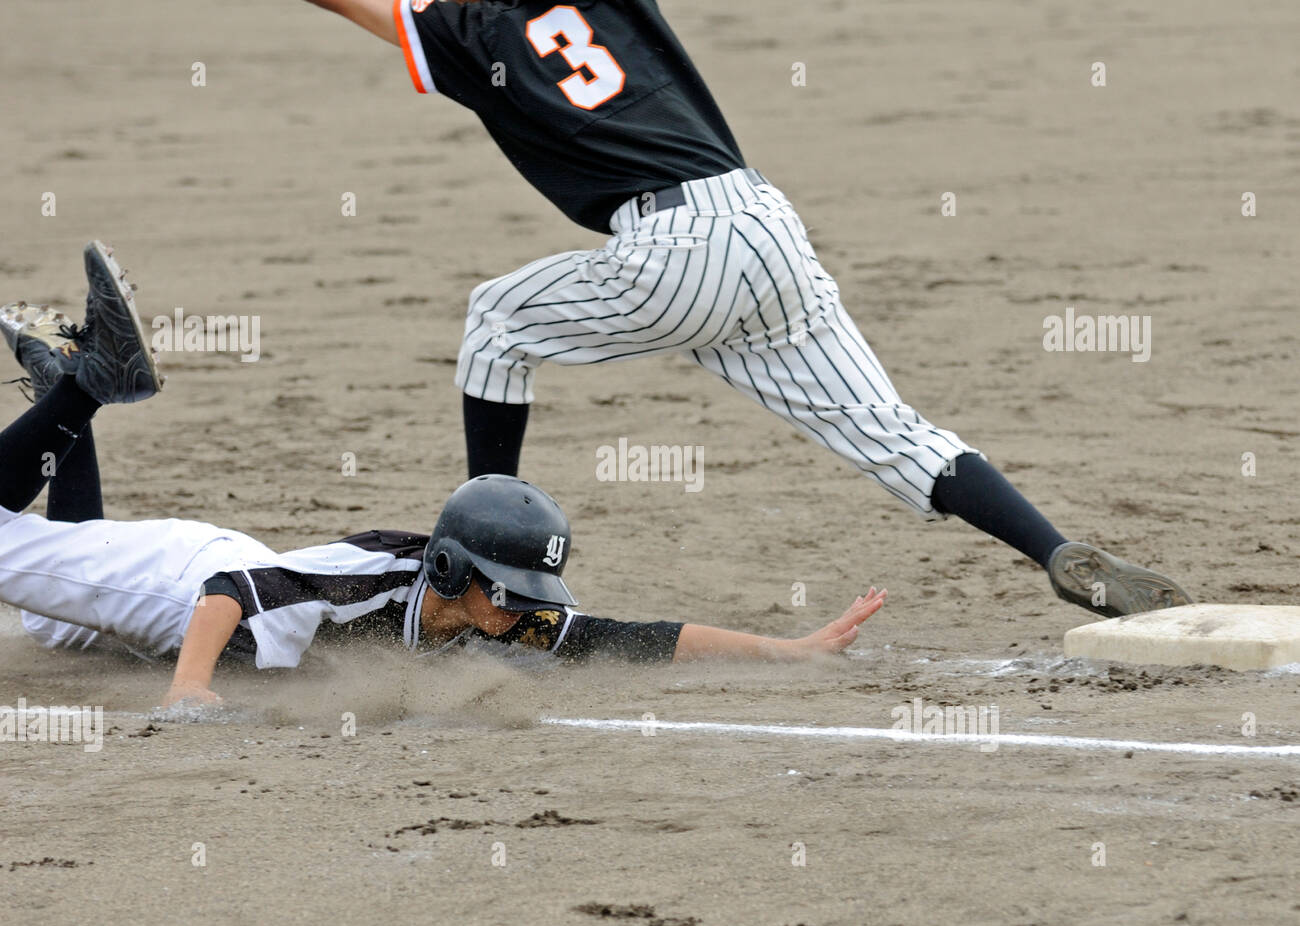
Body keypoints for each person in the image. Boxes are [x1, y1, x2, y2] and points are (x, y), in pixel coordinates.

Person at [301, 0, 1194, 619]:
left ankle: (482, 567)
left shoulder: (469, 30)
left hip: (673, 251)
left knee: (499, 321)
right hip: (765, 224)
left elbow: (360, 10)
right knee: (891, 430)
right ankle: (1056, 551)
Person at [1, 244, 887, 710]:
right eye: (508, 589)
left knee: (50, 606)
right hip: (180, 586)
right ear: (458, 572)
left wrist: (789, 647)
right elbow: (232, 588)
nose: (520, 609)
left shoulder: (496, 611)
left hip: (183, 596)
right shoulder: (380, 576)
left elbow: (637, 635)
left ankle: (64, 404)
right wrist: (189, 687)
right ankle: (86, 385)